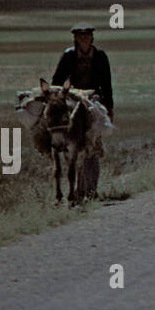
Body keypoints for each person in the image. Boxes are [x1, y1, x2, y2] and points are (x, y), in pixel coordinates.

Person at [51, 23, 114, 198]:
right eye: (80, 36)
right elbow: (57, 80)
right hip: (72, 96)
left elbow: (107, 84)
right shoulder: (68, 55)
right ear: (76, 38)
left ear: (91, 37)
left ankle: (91, 189)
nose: (84, 38)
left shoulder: (100, 56)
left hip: (93, 98)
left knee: (93, 145)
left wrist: (109, 107)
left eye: (87, 35)